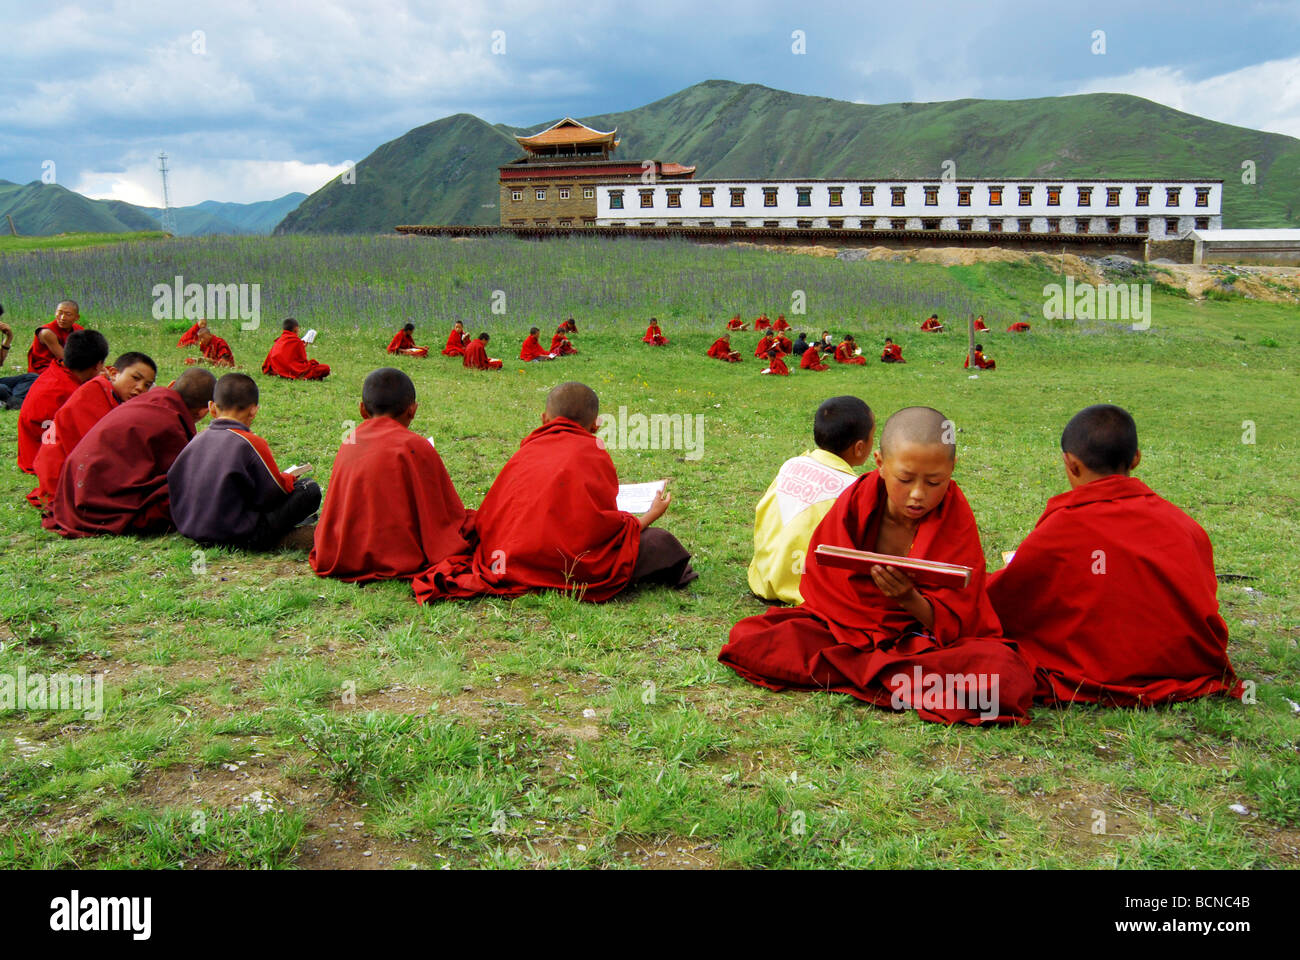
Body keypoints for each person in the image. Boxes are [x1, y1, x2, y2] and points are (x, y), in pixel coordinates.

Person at [720, 406, 1034, 725]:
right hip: (849, 630)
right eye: (905, 479)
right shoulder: (859, 498)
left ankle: (871, 673)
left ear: (952, 469)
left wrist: (908, 599)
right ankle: (892, 678)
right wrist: (862, 625)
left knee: (1002, 675)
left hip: (920, 639)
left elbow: (960, 618)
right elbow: (825, 585)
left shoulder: (955, 516)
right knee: (751, 638)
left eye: (934, 482)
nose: (917, 495)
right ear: (881, 464)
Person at [988, 405, 1241, 706]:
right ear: (1136, 458)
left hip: (1099, 668)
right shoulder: (1187, 527)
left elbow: (1004, 601)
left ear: (1071, 464)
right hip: (1184, 665)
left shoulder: (1063, 527)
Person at [412, 381, 697, 604]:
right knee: (660, 543)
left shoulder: (526, 452)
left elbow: (493, 515)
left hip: (507, 560)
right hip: (565, 564)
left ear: (544, 419)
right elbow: (601, 533)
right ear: (595, 426)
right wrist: (649, 516)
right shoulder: (594, 454)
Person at [311, 368, 473, 582]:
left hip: (345, 556)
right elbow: (443, 518)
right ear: (412, 410)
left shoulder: (350, 441)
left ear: (362, 410)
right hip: (400, 556)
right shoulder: (416, 446)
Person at [45, 368, 215, 538]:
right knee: (194, 494)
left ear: (172, 385)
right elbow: (182, 478)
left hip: (74, 488)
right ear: (204, 411)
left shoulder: (147, 400)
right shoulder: (172, 424)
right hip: (97, 500)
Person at [168, 372, 320, 551]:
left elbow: (174, 478)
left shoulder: (196, 440)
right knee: (309, 489)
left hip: (191, 528)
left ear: (212, 407)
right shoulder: (250, 442)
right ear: (254, 409)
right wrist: (288, 477)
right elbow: (273, 494)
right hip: (238, 535)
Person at [747, 396, 874, 604]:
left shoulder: (792, 464)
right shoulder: (854, 488)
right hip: (807, 589)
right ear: (860, 447)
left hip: (762, 577)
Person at [33, 351, 157, 510]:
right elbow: (98, 449)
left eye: (147, 385)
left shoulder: (114, 396)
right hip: (61, 478)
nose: (140, 388)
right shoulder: (93, 393)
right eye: (135, 378)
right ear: (113, 373)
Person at [17, 329, 109, 477]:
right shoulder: (72, 393)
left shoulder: (58, 369)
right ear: (98, 365)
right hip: (42, 454)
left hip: (32, 446)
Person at [262, 318, 329, 380]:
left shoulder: (279, 340)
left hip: (277, 370)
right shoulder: (296, 341)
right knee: (325, 368)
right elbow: (303, 361)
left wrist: (301, 346)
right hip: (293, 371)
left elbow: (269, 360)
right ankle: (301, 377)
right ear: (296, 329)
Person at [27, 301, 84, 373]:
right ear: (55, 313)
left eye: (68, 314)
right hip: (46, 370)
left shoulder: (79, 330)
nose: (62, 318)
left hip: (68, 365)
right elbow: (65, 359)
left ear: (77, 317)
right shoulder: (47, 333)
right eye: (60, 313)